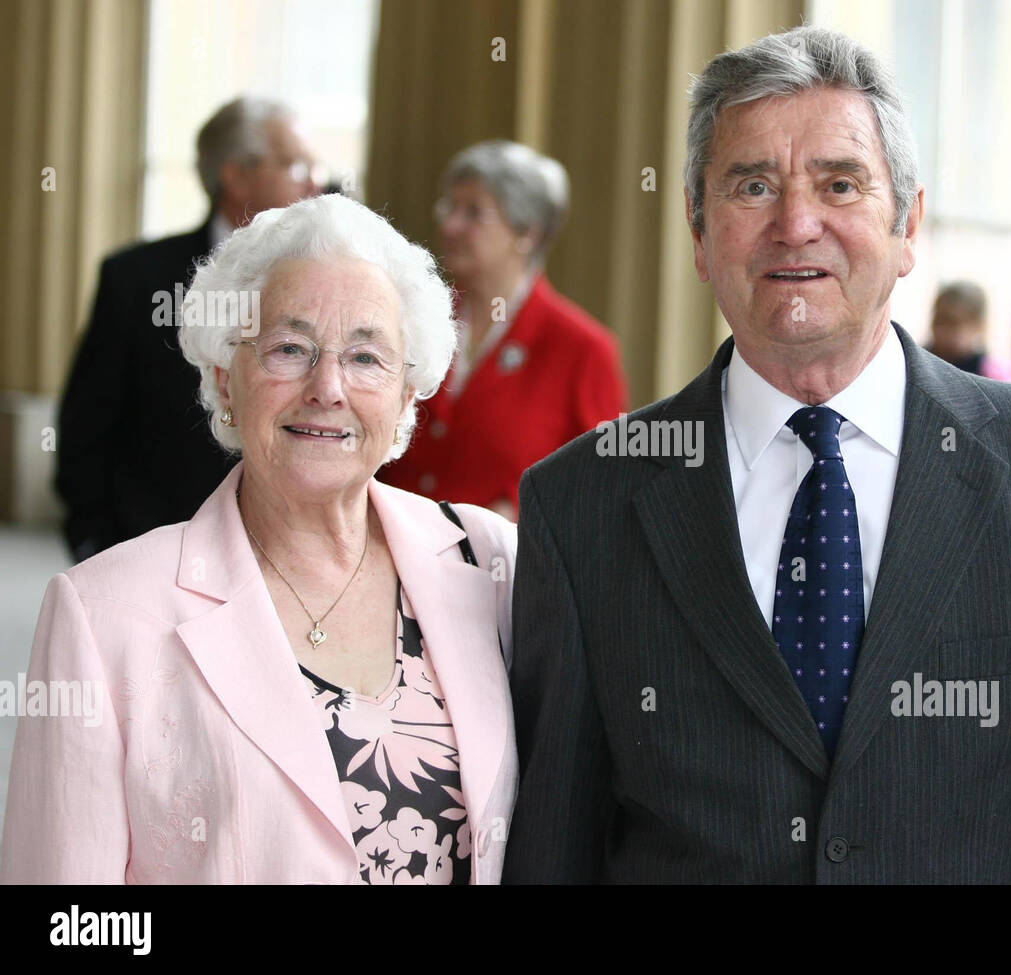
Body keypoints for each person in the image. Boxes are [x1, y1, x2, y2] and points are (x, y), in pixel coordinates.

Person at [503, 26, 1011, 883]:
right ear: (699, 233)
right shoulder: (581, 502)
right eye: (752, 186)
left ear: (907, 223)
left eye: (840, 184)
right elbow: (556, 847)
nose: (795, 224)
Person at [1, 195, 518, 884]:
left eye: (366, 356)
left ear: (405, 396)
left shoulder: (487, 560)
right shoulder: (101, 614)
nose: (327, 387)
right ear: (224, 377)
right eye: (289, 348)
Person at [54, 96, 323, 562]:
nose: (315, 182)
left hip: (292, 556)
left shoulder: (331, 283)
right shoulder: (136, 278)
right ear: (236, 175)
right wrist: (94, 541)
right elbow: (86, 425)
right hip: (156, 550)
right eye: (295, 165)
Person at [379, 140, 626, 519]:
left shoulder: (581, 348)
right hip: (389, 552)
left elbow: (604, 484)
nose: (450, 225)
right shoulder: (409, 318)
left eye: (473, 213)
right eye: (449, 207)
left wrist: (524, 511)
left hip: (507, 570)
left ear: (525, 232)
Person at [926, 280, 1011, 382]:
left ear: (978, 326)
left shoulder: (990, 374)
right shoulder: (917, 362)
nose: (942, 330)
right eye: (938, 320)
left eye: (952, 323)